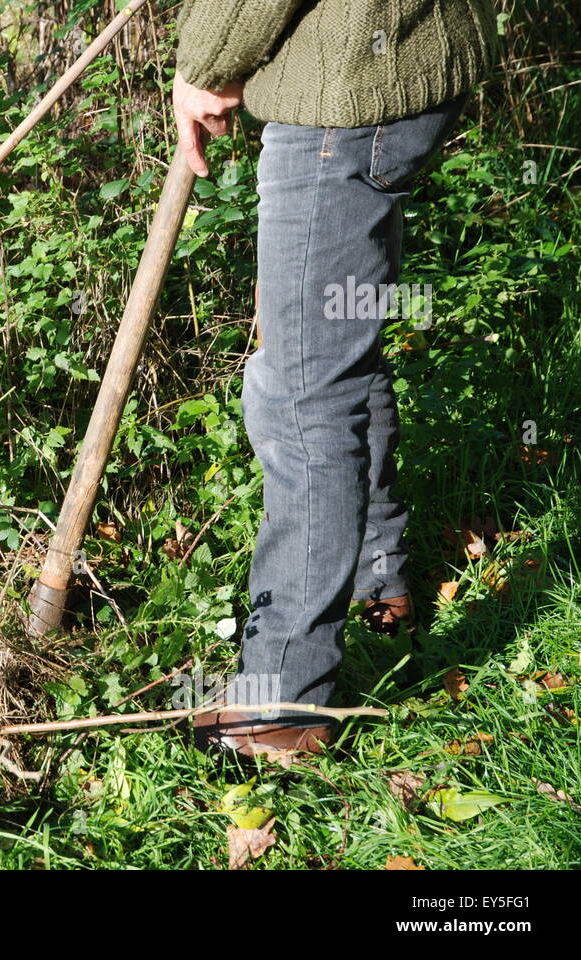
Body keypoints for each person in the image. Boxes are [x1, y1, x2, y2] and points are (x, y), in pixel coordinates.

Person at [172, 0, 499, 756]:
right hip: (398, 65)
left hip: (349, 86)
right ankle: (377, 583)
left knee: (300, 398)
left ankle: (280, 704)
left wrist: (208, 61)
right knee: (332, 361)